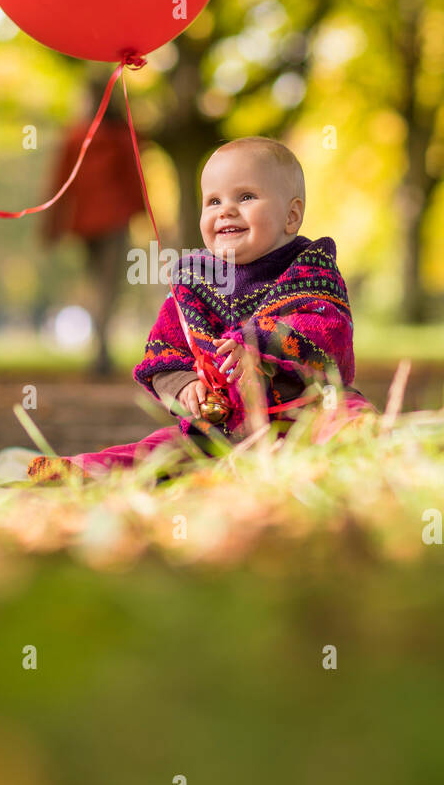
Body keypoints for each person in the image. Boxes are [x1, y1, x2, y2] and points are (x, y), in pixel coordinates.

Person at [23, 135, 372, 483]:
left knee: (349, 413)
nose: (226, 210)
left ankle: (367, 449)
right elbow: (163, 354)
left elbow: (329, 332)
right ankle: (81, 471)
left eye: (246, 197)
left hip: (304, 414)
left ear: (291, 215)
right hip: (219, 431)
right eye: (213, 201)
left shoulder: (310, 269)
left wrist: (259, 339)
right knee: (159, 450)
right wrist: (185, 384)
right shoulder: (194, 280)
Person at [44, 79, 144, 374]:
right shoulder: (122, 137)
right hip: (115, 220)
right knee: (108, 286)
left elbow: (60, 183)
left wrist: (52, 226)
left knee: (96, 284)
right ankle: (101, 349)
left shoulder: (75, 137)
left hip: (86, 223)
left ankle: (98, 349)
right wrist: (141, 213)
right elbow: (134, 178)